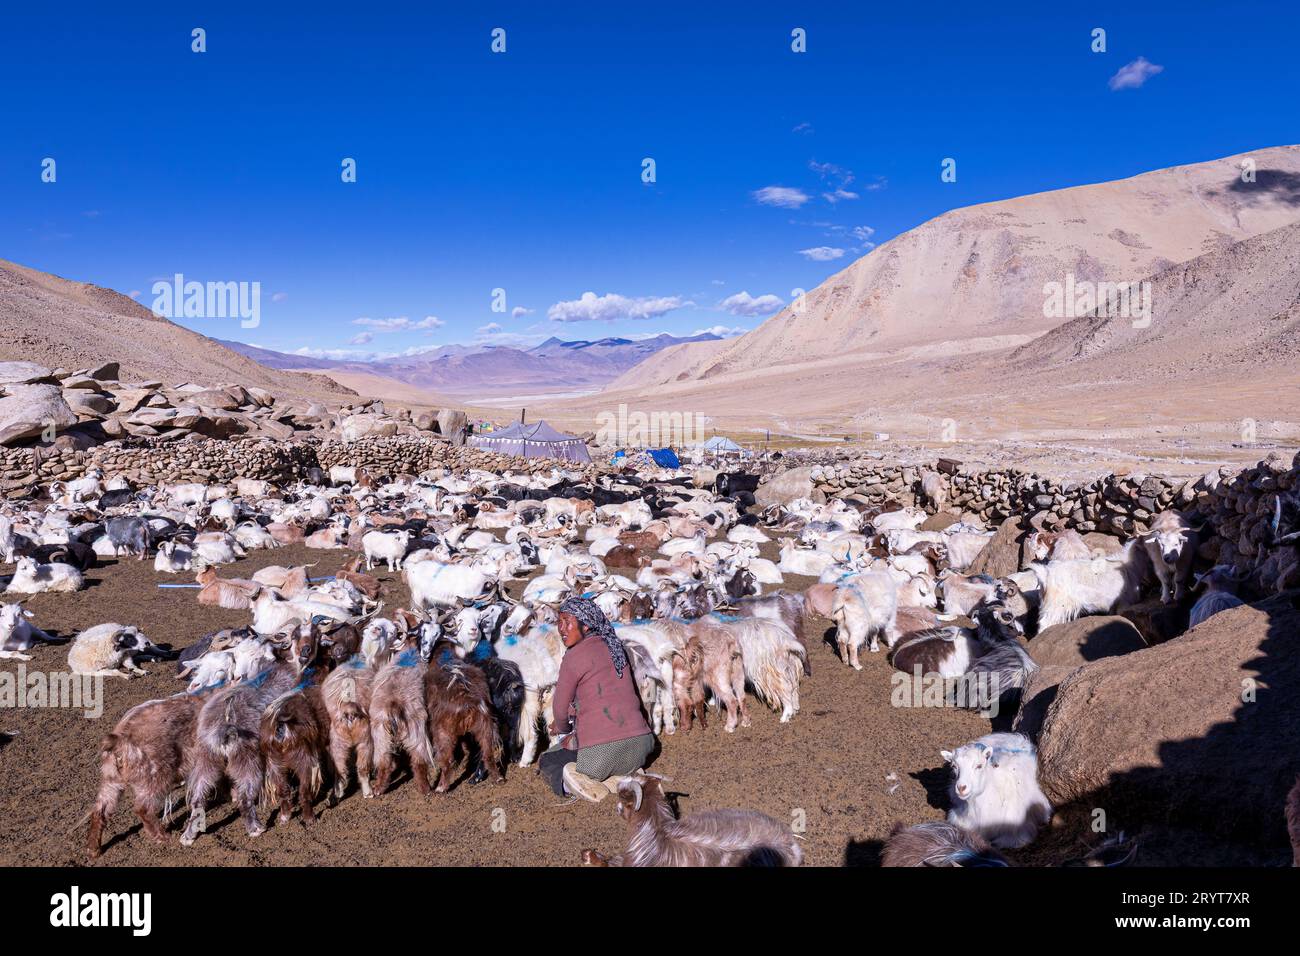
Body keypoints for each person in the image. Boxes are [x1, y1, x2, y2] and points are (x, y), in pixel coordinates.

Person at [538, 597, 655, 802]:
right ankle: (624, 774)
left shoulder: (574, 655)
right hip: (643, 744)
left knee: (549, 760)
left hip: (602, 754)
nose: (562, 629)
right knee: (594, 749)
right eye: (560, 622)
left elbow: (560, 707)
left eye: (568, 622)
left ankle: (583, 785)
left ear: (586, 625)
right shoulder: (615, 647)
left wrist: (562, 726)